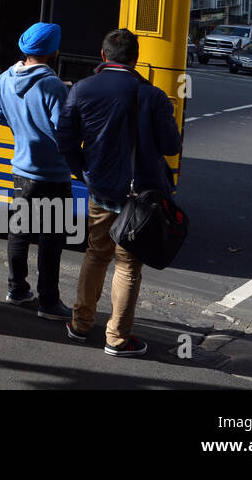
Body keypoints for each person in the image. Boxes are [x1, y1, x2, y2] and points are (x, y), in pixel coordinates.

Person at [57, 29, 181, 357]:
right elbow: (171, 146)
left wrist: (83, 171)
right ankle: (117, 337)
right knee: (127, 266)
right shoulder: (152, 95)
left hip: (100, 190)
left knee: (96, 255)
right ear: (135, 58)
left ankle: (80, 324)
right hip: (140, 198)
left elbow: (65, 139)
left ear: (103, 55)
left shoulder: (82, 89)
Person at [0, 22, 73, 321]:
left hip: (22, 171)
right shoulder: (53, 85)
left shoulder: (4, 79)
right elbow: (65, 131)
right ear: (53, 52)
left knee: (19, 231)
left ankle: (17, 289)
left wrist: (21, 128)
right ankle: (48, 302)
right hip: (54, 175)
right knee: (51, 238)